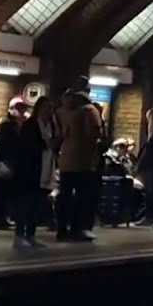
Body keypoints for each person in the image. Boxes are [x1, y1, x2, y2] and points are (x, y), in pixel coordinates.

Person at [57, 81, 104, 242]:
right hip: (83, 161)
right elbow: (93, 134)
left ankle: (62, 229)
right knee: (82, 197)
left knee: (64, 196)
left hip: (65, 160)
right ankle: (78, 229)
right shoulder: (90, 111)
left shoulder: (62, 112)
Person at [14, 96, 58, 247]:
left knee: (36, 204)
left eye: (50, 108)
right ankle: (20, 235)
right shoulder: (31, 125)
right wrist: (44, 145)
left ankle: (30, 234)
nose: (48, 111)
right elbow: (26, 147)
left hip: (46, 168)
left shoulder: (51, 126)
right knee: (25, 203)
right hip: (30, 170)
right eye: (45, 108)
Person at [0, 98, 29, 230]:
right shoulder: (6, 124)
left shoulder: (12, 123)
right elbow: (6, 144)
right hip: (2, 162)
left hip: (5, 162)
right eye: (21, 110)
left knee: (4, 193)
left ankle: (1, 218)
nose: (23, 113)